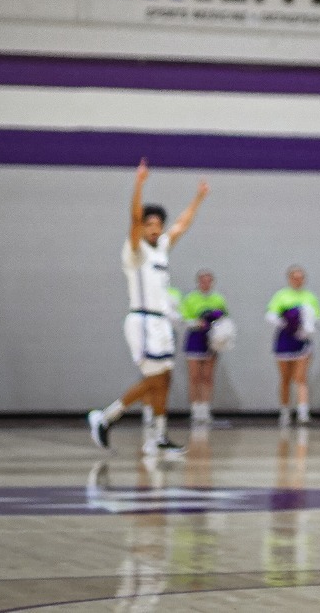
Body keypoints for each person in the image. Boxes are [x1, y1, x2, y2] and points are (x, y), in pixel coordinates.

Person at [87, 160, 208, 456]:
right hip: (141, 321)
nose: (153, 229)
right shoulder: (134, 250)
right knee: (154, 379)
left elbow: (182, 224)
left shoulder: (162, 248)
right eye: (148, 224)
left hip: (161, 323)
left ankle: (158, 436)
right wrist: (139, 184)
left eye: (157, 225)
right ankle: (106, 416)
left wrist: (198, 198)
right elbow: (132, 218)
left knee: (164, 379)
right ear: (141, 227)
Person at [266, 266, 319, 428]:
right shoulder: (281, 296)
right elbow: (271, 315)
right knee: (285, 378)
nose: (298, 280)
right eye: (294, 277)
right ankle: (285, 411)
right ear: (289, 279)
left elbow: (317, 318)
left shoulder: (310, 297)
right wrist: (287, 322)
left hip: (302, 341)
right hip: (285, 340)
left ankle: (303, 413)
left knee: (301, 377)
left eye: (301, 277)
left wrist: (307, 327)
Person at [177, 270, 228, 428]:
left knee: (207, 376)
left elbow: (224, 318)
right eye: (203, 281)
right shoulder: (190, 299)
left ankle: (205, 411)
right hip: (195, 338)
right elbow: (182, 318)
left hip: (211, 340)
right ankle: (195, 410)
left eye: (209, 281)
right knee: (194, 376)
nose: (206, 284)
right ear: (198, 282)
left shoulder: (218, 299)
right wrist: (196, 323)